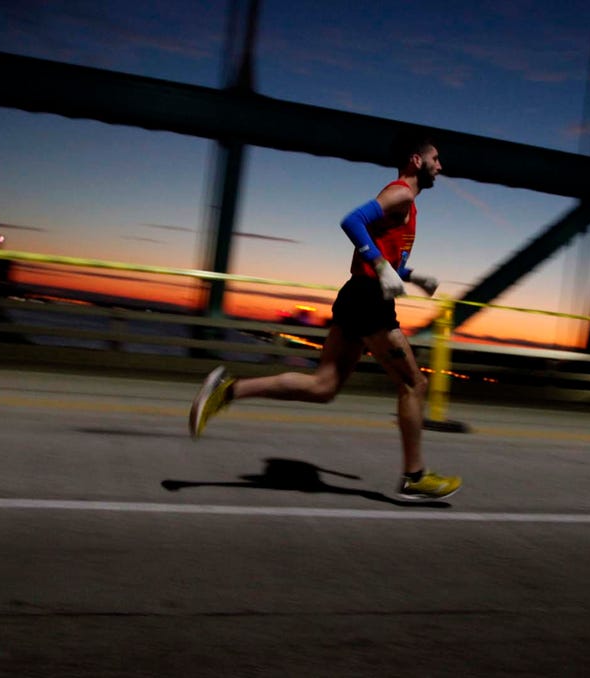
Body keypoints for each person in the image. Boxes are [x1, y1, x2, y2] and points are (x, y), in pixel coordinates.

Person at [188, 133, 461, 502]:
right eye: (435, 159)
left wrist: (413, 276)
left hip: (358, 297)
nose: (440, 166)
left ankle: (229, 390)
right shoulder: (401, 194)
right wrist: (381, 266)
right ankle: (414, 476)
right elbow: (352, 222)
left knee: (323, 388)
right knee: (414, 384)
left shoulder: (409, 206)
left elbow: (390, 258)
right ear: (416, 160)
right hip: (368, 301)